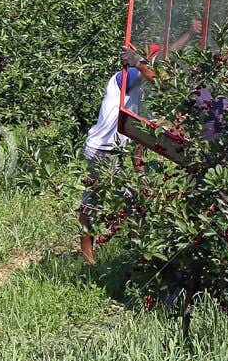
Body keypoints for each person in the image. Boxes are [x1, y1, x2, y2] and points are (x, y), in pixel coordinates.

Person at [78, 18, 204, 260]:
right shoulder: (127, 76)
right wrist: (139, 61)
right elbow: (152, 71)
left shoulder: (141, 89)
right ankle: (137, 255)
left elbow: (162, 61)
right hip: (103, 150)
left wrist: (188, 34)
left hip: (108, 151)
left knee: (94, 198)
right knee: (132, 201)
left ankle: (90, 255)